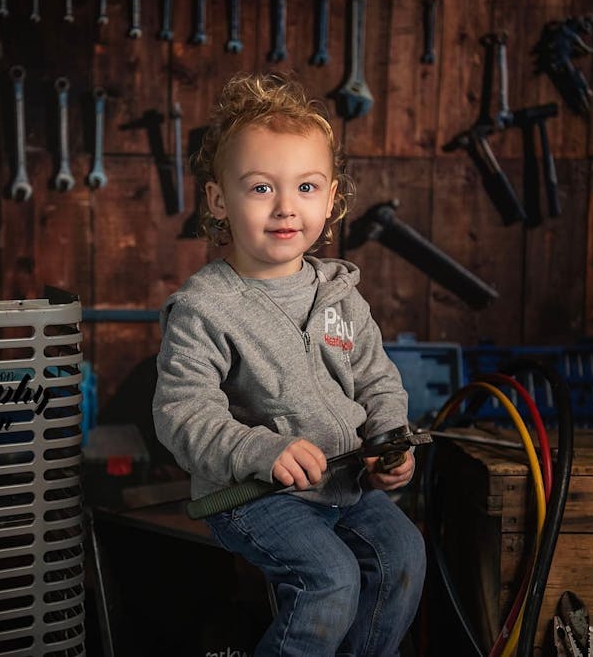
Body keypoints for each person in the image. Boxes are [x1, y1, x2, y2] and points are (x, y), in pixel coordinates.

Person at [152, 73, 426, 656]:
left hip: (346, 483)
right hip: (253, 497)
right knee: (330, 578)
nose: (285, 207)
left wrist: (388, 441)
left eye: (305, 187)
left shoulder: (341, 295)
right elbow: (183, 414)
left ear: (330, 200)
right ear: (218, 200)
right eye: (259, 189)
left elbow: (378, 380)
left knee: (402, 553)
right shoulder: (205, 308)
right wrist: (262, 451)